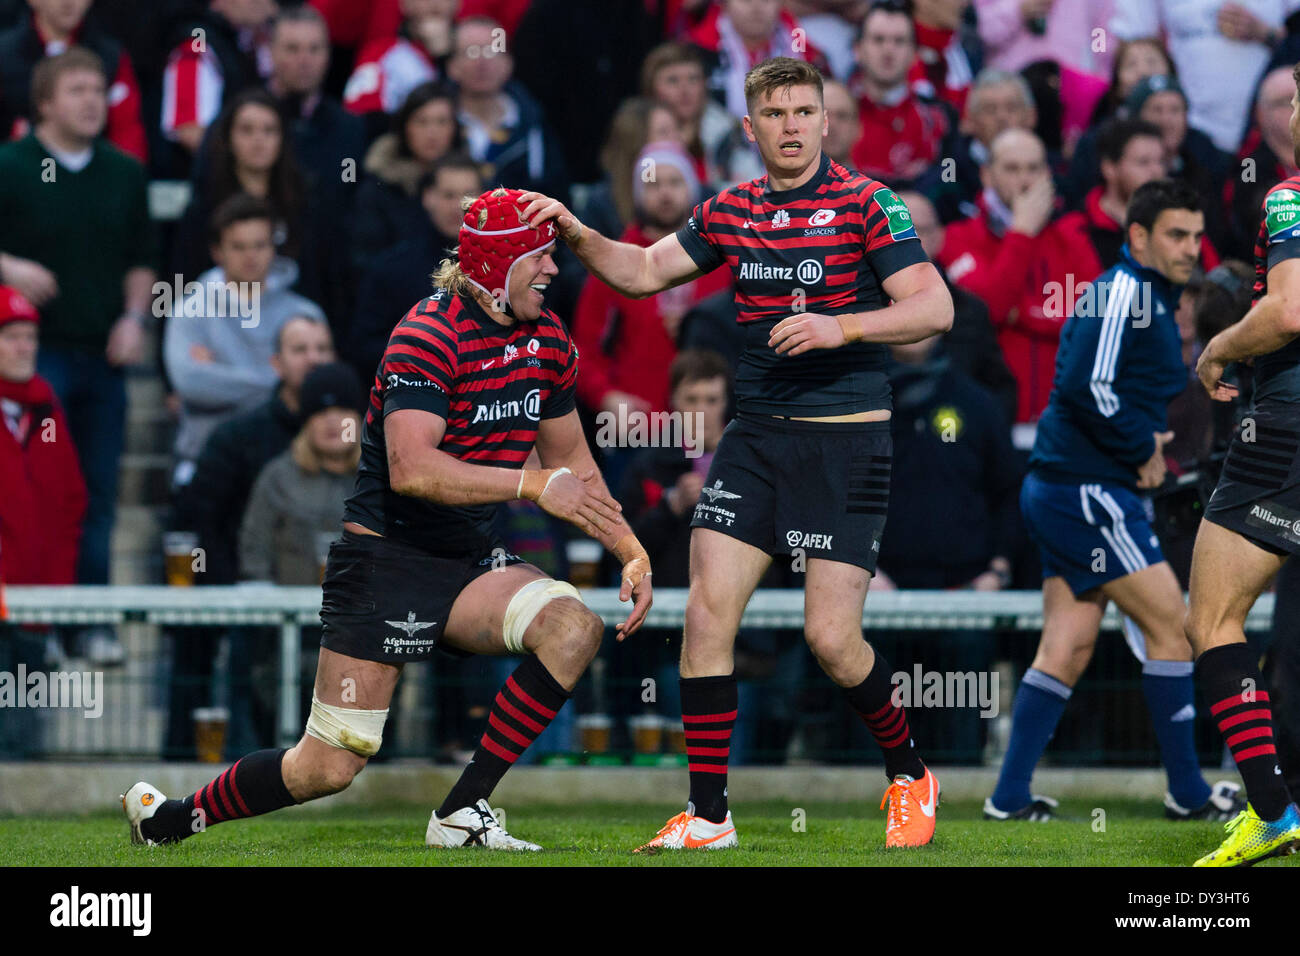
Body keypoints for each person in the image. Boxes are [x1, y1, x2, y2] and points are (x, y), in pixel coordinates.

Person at [124, 185, 653, 851]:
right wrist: (530, 483)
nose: (554, 270)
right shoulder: (428, 335)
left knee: (573, 628)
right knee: (326, 768)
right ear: (498, 267)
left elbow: (573, 459)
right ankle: (172, 819)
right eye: (542, 257)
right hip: (385, 563)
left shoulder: (547, 340)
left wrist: (629, 546)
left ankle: (461, 811)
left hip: (467, 561)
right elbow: (413, 468)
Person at [521, 56, 954, 850]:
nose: (791, 127)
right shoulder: (730, 209)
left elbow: (936, 305)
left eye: (804, 112)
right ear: (749, 129)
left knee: (832, 640)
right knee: (707, 615)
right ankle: (711, 816)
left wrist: (842, 326)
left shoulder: (869, 203)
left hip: (847, 444)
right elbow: (647, 270)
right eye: (775, 115)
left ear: (825, 121)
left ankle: (909, 773)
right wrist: (578, 234)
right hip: (755, 442)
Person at [992, 179, 1244, 823]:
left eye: (1195, 234)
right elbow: (1086, 385)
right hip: (1088, 491)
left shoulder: (1148, 297)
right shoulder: (1126, 294)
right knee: (1175, 629)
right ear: (1137, 237)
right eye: (1175, 235)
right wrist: (1141, 447)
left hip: (1065, 489)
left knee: (1067, 648)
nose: (1190, 247)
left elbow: (1103, 389)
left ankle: (1009, 798)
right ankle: (1188, 793)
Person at [1182, 64, 1300, 867]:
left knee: (1212, 620)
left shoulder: (1291, 196)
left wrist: (1219, 345)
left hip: (1287, 424)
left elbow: (1290, 309)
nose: (1292, 112)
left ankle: (1270, 808)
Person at [0, 49, 157, 595]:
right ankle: (33, 614)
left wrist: (135, 318)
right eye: (77, 90)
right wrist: (9, 265)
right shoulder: (11, 165)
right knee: (31, 487)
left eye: (98, 89)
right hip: (30, 360)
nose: (93, 100)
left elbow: (141, 258)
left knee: (95, 491)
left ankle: (88, 612)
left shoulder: (124, 172)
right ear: (44, 103)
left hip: (103, 357)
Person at [938, 127, 1101, 422]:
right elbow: (990, 311)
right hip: (992, 418)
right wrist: (1022, 232)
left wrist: (1022, 314)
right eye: (1012, 168)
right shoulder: (958, 237)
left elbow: (1094, 322)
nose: (1025, 179)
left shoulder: (1072, 236)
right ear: (987, 174)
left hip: (1065, 420)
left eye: (1034, 168)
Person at [164, 194, 328, 481]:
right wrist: (285, 384)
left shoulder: (304, 313)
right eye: (239, 246)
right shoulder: (190, 310)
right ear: (217, 251)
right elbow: (192, 384)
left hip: (293, 462)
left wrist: (223, 373)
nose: (250, 256)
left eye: (260, 245)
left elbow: (320, 386)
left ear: (274, 248)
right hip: (205, 460)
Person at [572, 141, 731, 421]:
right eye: (653, 184)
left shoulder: (721, 258)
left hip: (713, 429)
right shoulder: (615, 259)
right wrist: (606, 397)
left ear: (692, 189)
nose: (665, 193)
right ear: (636, 193)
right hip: (640, 428)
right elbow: (581, 350)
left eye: (675, 182)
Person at [348, 151, 482, 381]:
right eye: (448, 195)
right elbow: (363, 347)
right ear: (428, 197)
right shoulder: (391, 270)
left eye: (468, 196)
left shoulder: (504, 265)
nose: (458, 207)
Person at [897, 189, 1018, 422]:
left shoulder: (971, 310)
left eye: (918, 229)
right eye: (896, 229)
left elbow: (1000, 390)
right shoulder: (857, 305)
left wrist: (976, 438)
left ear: (939, 238)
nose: (908, 238)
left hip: (956, 442)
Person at [0, 284, 85, 589]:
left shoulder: (46, 410)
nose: (25, 348)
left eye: (30, 337)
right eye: (11, 337)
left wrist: (58, 581)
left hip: (41, 600)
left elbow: (70, 500)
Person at [0, 0, 147, 161]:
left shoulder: (112, 56)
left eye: (97, 90)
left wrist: (120, 176)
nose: (68, 2)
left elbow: (126, 131)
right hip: (22, 170)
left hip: (90, 172)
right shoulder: (5, 56)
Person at [351, 80, 461, 274]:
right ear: (405, 127)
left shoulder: (474, 181)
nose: (432, 133)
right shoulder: (378, 190)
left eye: (442, 122)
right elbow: (366, 262)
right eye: (421, 121)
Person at [849, 0, 952, 188]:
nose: (888, 50)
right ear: (857, 50)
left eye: (899, 41)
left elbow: (952, 182)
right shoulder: (833, 114)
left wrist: (928, 203)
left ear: (914, 54)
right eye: (878, 40)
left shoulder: (941, 118)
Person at [1082, 118, 1168, 268]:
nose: (1157, 171)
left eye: (1161, 161)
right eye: (1143, 162)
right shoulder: (1075, 232)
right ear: (1109, 168)